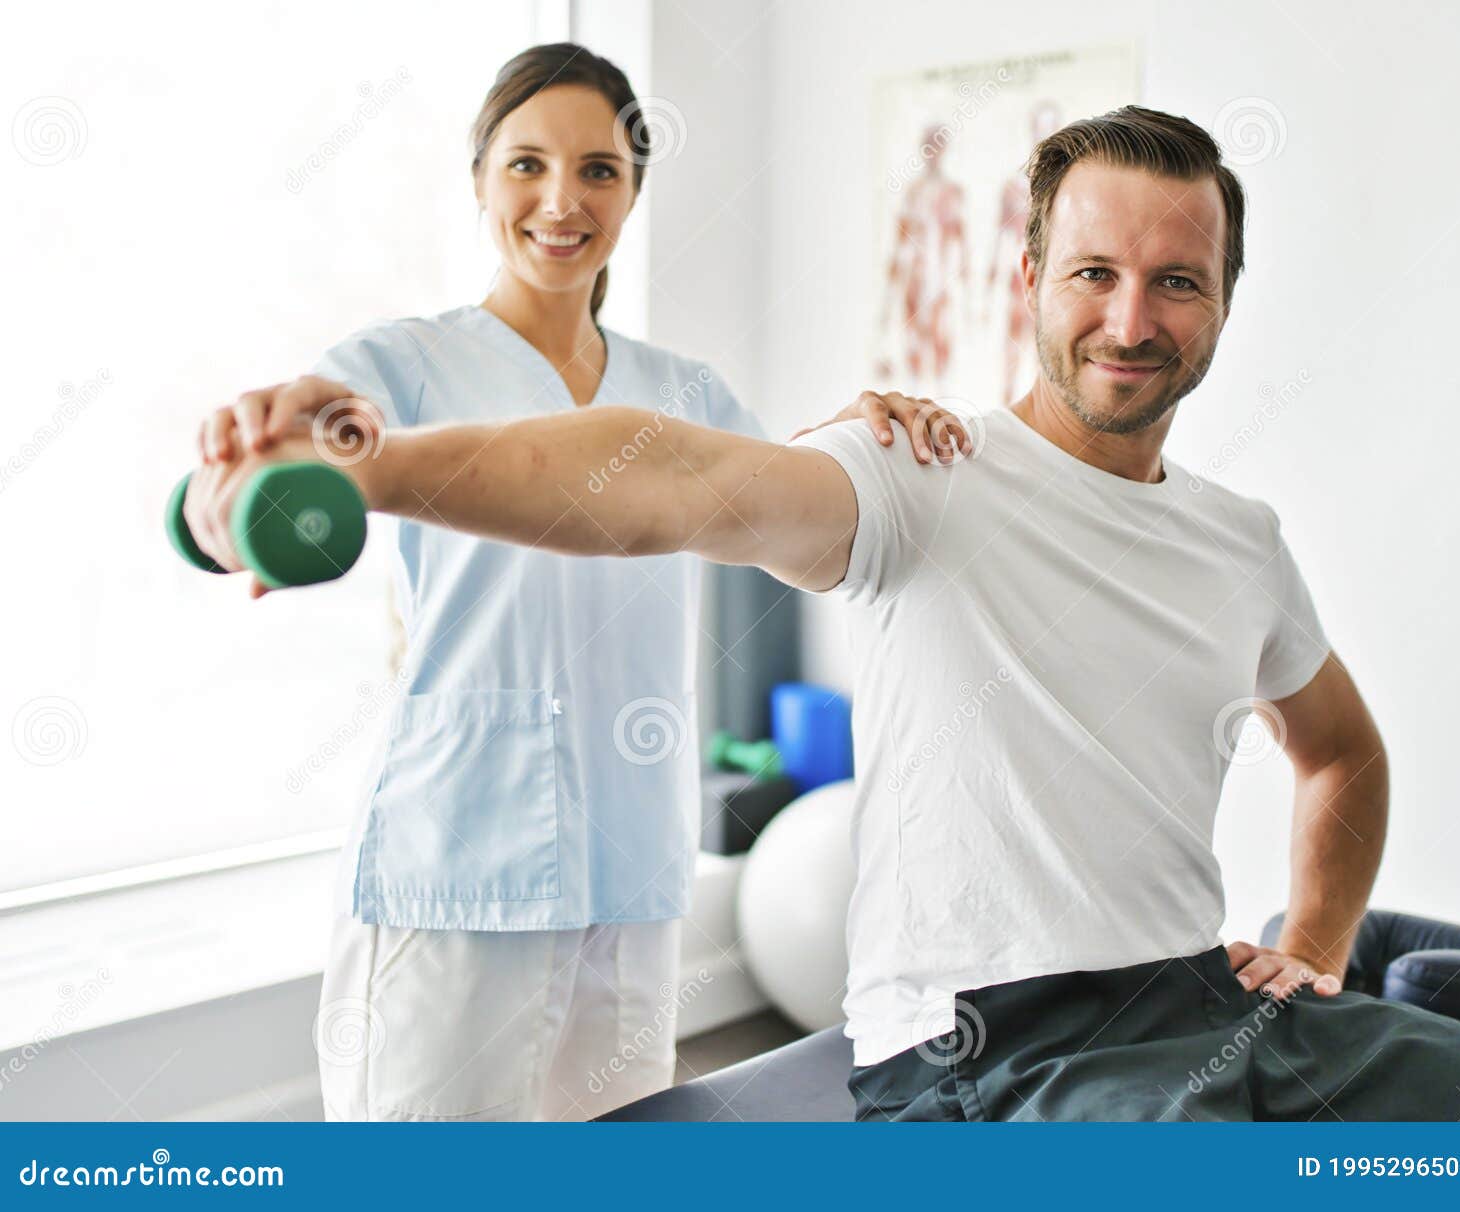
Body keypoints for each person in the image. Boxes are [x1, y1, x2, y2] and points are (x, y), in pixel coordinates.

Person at [184, 104, 1460, 1122]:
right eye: (1094, 272)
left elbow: (1340, 749)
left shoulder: (1242, 542)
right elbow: (663, 480)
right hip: (985, 1050)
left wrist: (1323, 948)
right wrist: (374, 470)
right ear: (1028, 278)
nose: (1131, 317)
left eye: (1178, 280)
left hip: (1206, 1002)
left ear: (1225, 303)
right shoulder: (924, 473)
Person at [189, 42, 969, 1123]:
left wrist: (865, 431)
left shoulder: (681, 389)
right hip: (455, 865)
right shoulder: (398, 365)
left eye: (599, 170)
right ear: (478, 181)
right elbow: (279, 462)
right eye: (526, 165)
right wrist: (236, 489)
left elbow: (779, 499)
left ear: (634, 190)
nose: (563, 200)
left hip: (628, 871)